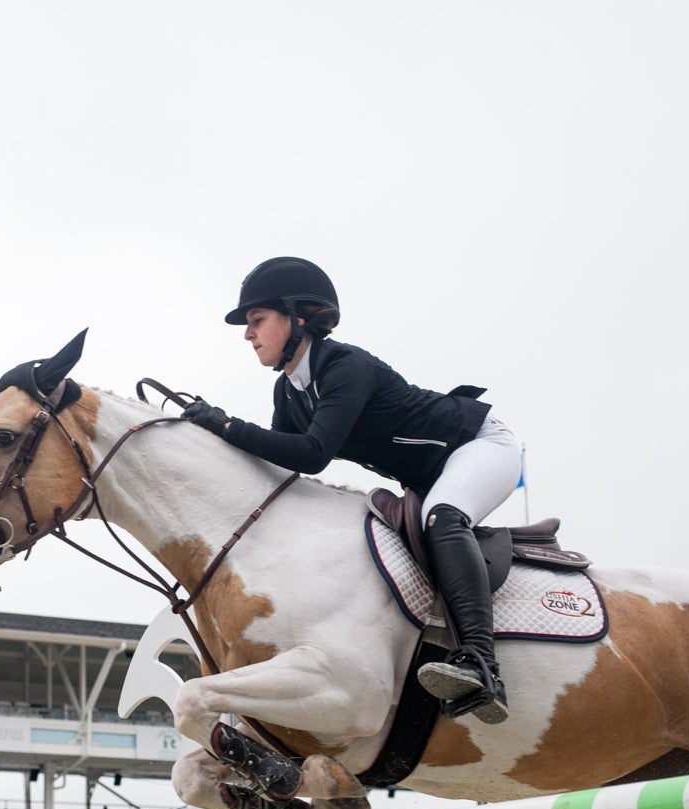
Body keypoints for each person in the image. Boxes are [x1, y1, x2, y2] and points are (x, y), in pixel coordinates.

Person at [186, 257, 519, 722]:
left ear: (298, 317)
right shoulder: (290, 393)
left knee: (442, 517)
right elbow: (278, 469)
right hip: (427, 474)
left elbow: (311, 452)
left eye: (257, 320)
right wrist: (207, 439)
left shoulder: (345, 365)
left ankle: (482, 665)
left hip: (480, 445)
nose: (247, 333)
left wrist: (225, 424)